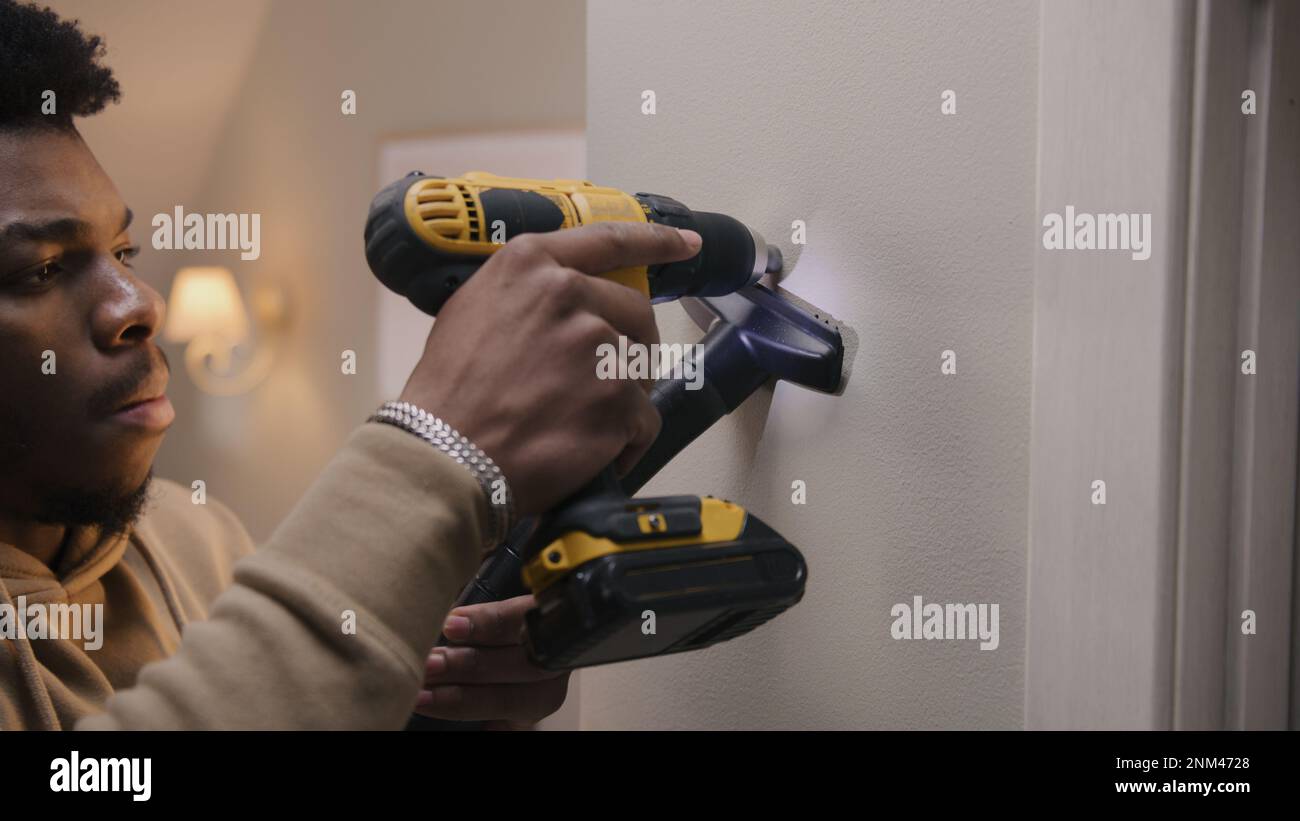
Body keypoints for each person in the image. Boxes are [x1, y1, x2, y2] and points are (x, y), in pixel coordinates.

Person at [0, 0, 699, 729]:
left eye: (123, 253)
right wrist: (428, 454)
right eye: (40, 270)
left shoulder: (193, 535)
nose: (139, 302)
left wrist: (429, 709)